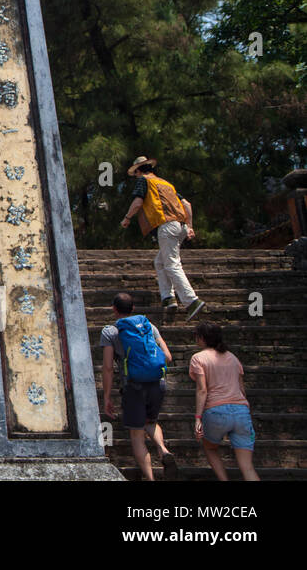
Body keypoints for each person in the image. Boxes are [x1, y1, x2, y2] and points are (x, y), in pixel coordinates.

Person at [100, 292, 178, 480]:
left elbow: (108, 367)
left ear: (114, 309)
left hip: (133, 385)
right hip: (157, 383)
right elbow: (168, 357)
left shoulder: (110, 332)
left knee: (136, 434)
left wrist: (107, 396)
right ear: (133, 308)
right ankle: (163, 450)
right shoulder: (149, 327)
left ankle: (150, 478)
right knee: (151, 422)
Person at [120, 156, 204, 322]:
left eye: (135, 173)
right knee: (160, 262)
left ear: (138, 170)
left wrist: (127, 218)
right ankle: (168, 298)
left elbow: (137, 202)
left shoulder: (144, 181)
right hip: (180, 226)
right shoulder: (166, 183)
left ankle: (191, 301)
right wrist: (190, 226)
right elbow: (187, 204)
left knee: (172, 264)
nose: (135, 176)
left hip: (166, 226)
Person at [190, 321, 258, 481]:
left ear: (202, 338)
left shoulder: (198, 358)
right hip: (241, 411)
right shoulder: (233, 357)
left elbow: (202, 390)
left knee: (210, 448)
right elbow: (242, 389)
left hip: (216, 411)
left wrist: (198, 418)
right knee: (248, 467)